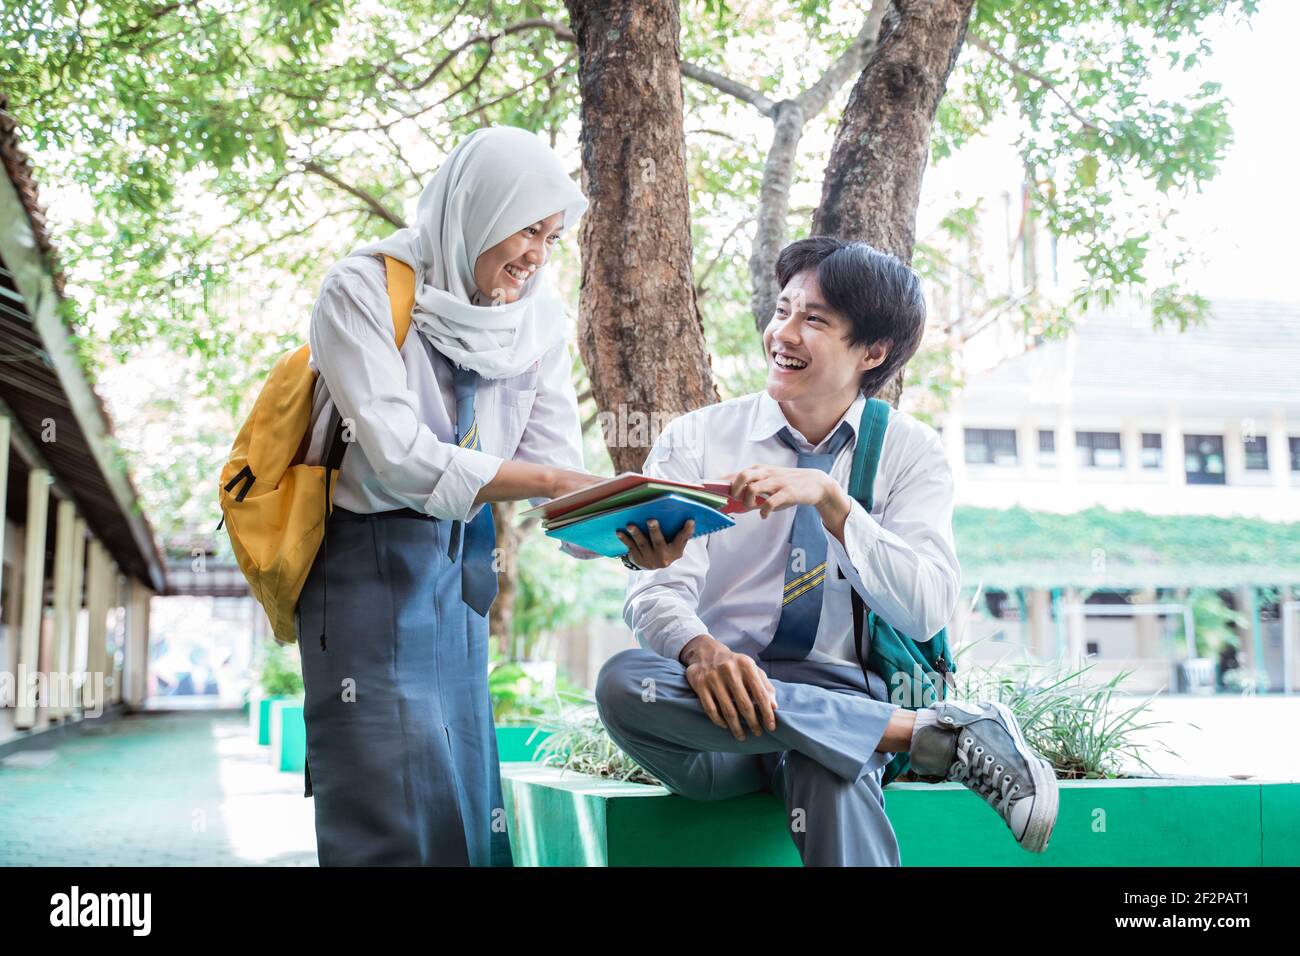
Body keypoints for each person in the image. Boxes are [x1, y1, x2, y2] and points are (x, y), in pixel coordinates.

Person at [294, 126, 690, 866]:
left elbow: (555, 481)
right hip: (364, 569)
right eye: (527, 228)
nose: (538, 253)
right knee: (383, 785)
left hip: (462, 575)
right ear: (476, 208)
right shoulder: (362, 288)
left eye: (552, 236)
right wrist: (551, 484)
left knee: (463, 795)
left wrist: (632, 530)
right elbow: (399, 456)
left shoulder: (532, 319)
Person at [596, 237, 1060, 866]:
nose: (784, 333)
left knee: (829, 769)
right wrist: (700, 650)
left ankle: (869, 730)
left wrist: (833, 505)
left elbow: (926, 608)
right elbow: (658, 588)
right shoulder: (699, 438)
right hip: (714, 715)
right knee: (625, 683)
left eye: (814, 319)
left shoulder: (908, 451)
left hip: (845, 696)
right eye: (783, 310)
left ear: (874, 351)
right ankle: (930, 737)